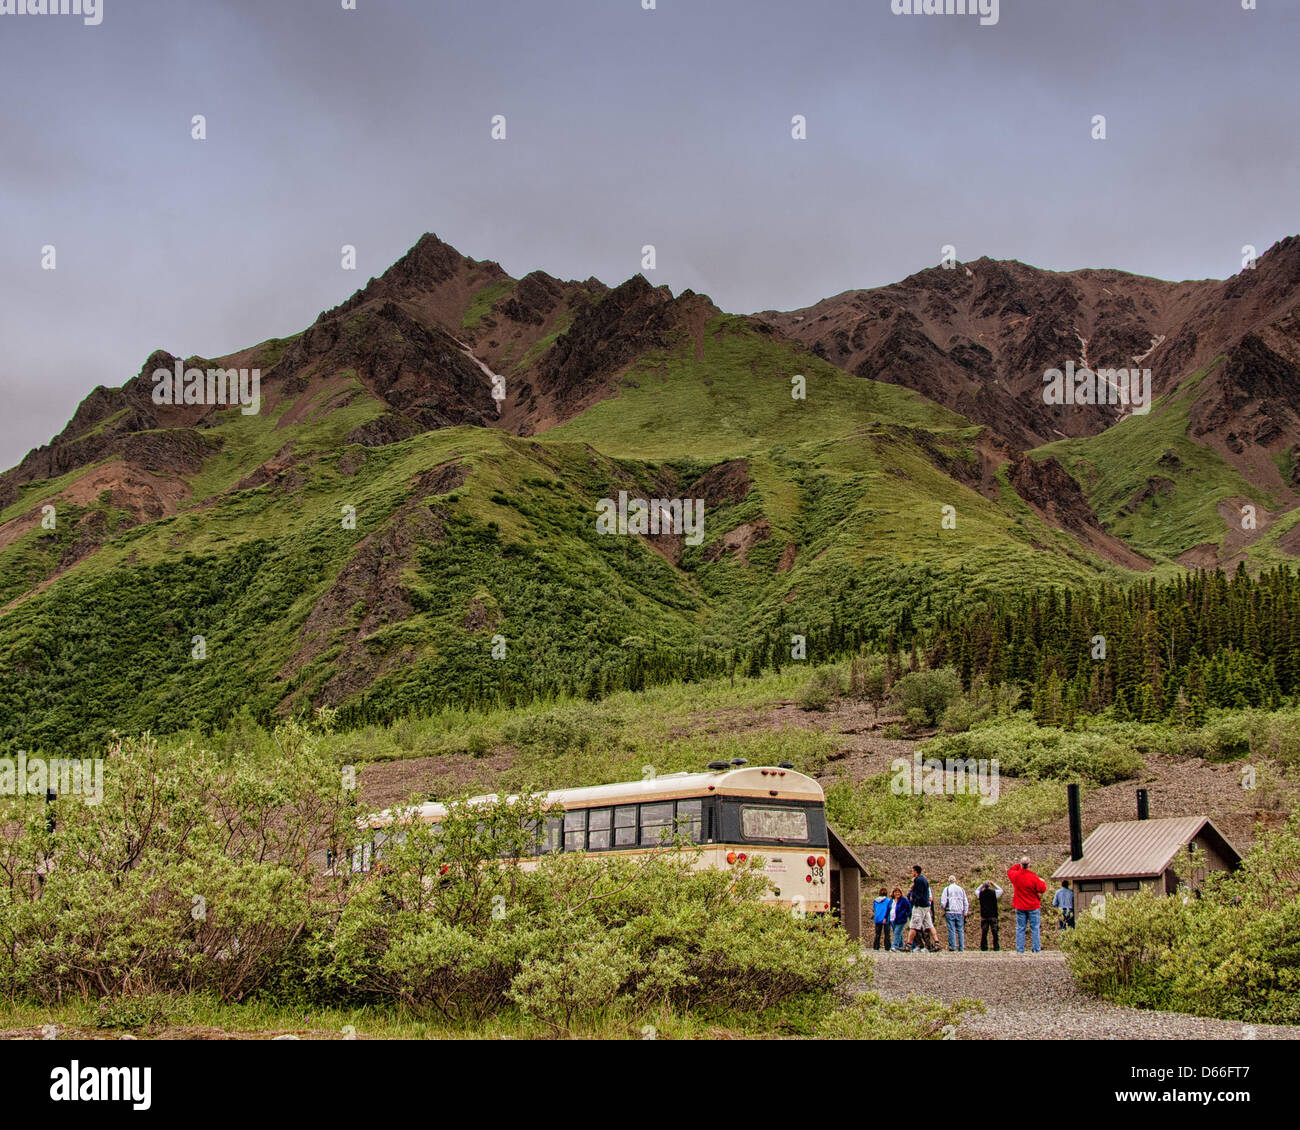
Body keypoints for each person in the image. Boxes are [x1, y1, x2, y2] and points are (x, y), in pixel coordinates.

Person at [1007, 856, 1048, 953]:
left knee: (1021, 928)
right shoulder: (1033, 876)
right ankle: (1036, 949)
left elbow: (1010, 871)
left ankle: (1020, 949)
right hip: (1033, 906)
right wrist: (1043, 881)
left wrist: (1019, 865)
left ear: (1021, 864)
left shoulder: (1015, 875)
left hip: (1020, 905)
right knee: (1035, 928)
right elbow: (1042, 889)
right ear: (1029, 865)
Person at [904, 864, 939, 952]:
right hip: (926, 906)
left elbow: (917, 894)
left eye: (912, 871)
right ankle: (937, 942)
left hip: (919, 906)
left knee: (913, 926)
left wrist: (913, 898)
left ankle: (908, 944)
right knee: (929, 925)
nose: (911, 873)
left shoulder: (918, 880)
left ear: (915, 872)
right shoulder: (925, 880)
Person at [940, 875, 969, 951]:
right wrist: (965, 912)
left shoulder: (946, 889)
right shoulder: (961, 889)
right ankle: (961, 947)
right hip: (960, 912)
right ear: (955, 881)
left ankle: (953, 947)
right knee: (960, 930)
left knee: (951, 929)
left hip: (950, 911)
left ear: (949, 881)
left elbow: (943, 902)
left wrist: (944, 908)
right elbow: (965, 901)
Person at [976, 879, 1002, 951]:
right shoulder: (994, 893)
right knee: (995, 932)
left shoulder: (980, 894)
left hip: (984, 916)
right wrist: (994, 884)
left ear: (984, 886)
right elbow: (1001, 890)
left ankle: (984, 947)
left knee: (984, 933)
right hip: (993, 915)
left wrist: (982, 884)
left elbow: (976, 890)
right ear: (990, 886)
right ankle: (996, 947)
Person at [889, 887, 910, 951]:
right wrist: (885, 917)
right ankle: (901, 945)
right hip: (892, 919)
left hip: (901, 919)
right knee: (898, 933)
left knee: (897, 932)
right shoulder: (891, 900)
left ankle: (894, 946)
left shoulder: (904, 900)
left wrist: (905, 914)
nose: (897, 893)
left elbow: (908, 908)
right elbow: (888, 909)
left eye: (898, 892)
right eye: (895, 892)